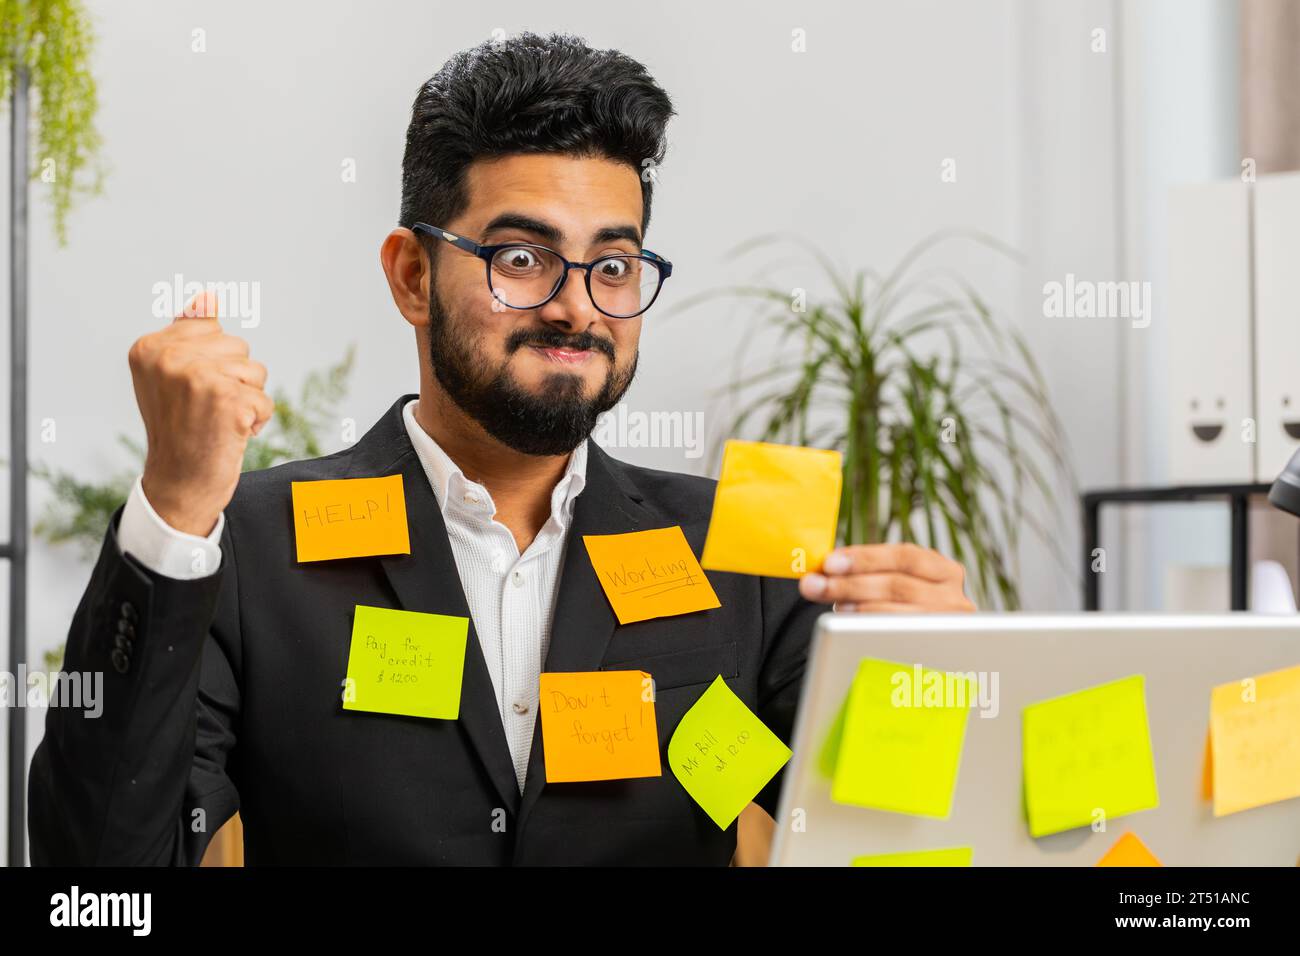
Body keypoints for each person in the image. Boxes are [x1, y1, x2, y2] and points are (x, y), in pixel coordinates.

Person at [29, 32, 973, 866]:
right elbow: (102, 868)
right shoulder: (240, 544)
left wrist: (923, 688)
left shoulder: (747, 539)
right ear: (411, 275)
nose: (575, 306)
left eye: (614, 265)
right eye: (521, 258)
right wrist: (173, 507)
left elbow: (881, 843)